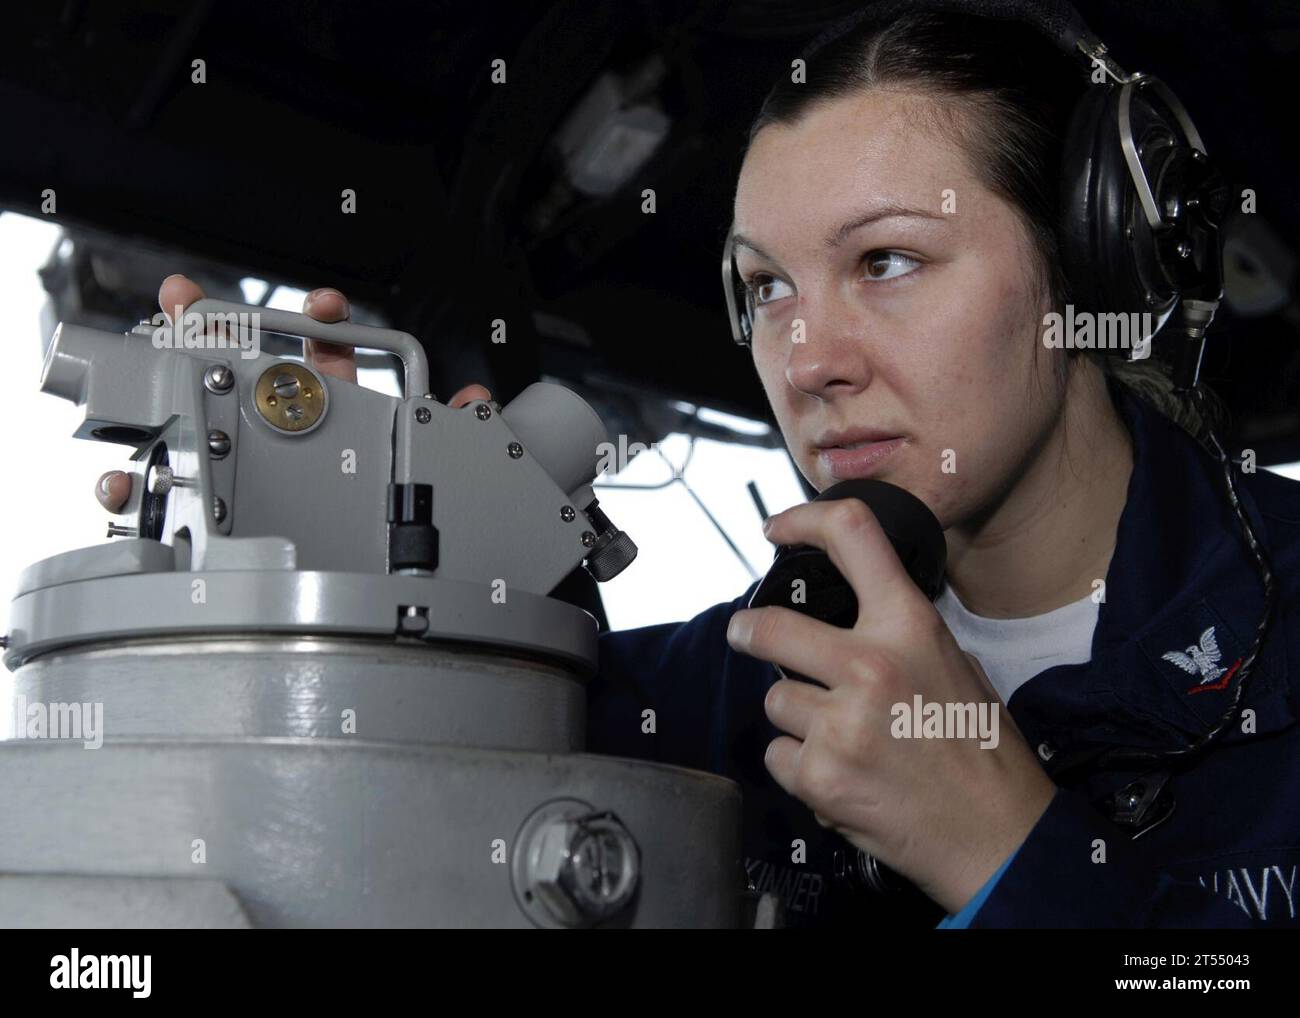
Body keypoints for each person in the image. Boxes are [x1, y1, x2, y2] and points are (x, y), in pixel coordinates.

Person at [98, 7, 1300, 929]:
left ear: (1087, 264)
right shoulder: (729, 681)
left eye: (884, 262)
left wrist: (1009, 858)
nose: (808, 359)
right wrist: (352, 569)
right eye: (767, 286)